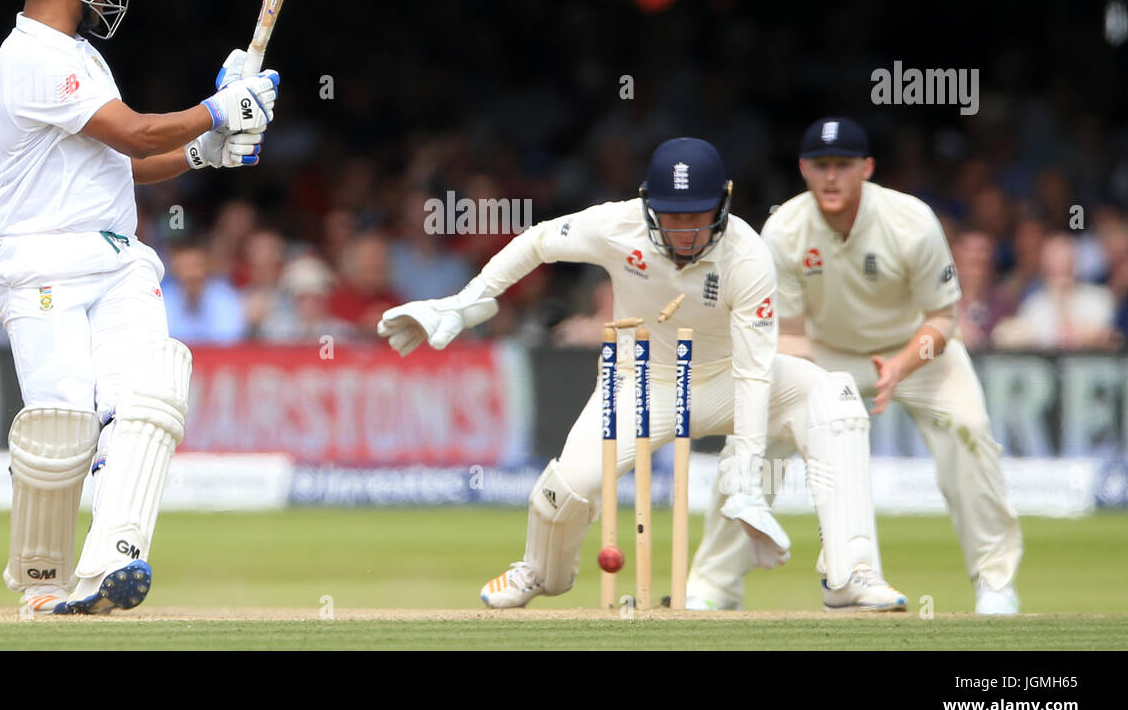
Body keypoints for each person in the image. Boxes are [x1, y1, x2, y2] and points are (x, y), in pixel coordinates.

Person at [378, 138, 908, 611]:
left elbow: (753, 372)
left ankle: (850, 573)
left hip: (727, 379)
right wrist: (467, 301)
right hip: (640, 383)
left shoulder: (747, 255)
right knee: (565, 492)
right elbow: (538, 241)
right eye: (671, 216)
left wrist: (745, 480)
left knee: (833, 398)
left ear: (723, 202)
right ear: (648, 204)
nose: (685, 230)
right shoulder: (619, 225)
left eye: (697, 215)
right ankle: (540, 571)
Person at [0, 0, 279, 616]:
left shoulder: (81, 54)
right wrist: (218, 110)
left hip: (116, 256)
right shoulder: (30, 55)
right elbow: (138, 132)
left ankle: (113, 561)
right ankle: (43, 582)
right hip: (43, 260)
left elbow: (124, 161)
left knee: (148, 395)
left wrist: (203, 150)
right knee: (62, 430)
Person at [689, 118, 1022, 614]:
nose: (831, 177)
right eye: (820, 165)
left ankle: (995, 584)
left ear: (866, 168)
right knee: (753, 435)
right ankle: (714, 586)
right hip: (823, 351)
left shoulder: (910, 221)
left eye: (842, 165)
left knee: (969, 432)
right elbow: (787, 332)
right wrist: (802, 391)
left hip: (918, 349)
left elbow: (943, 318)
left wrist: (901, 365)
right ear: (804, 169)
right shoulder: (784, 229)